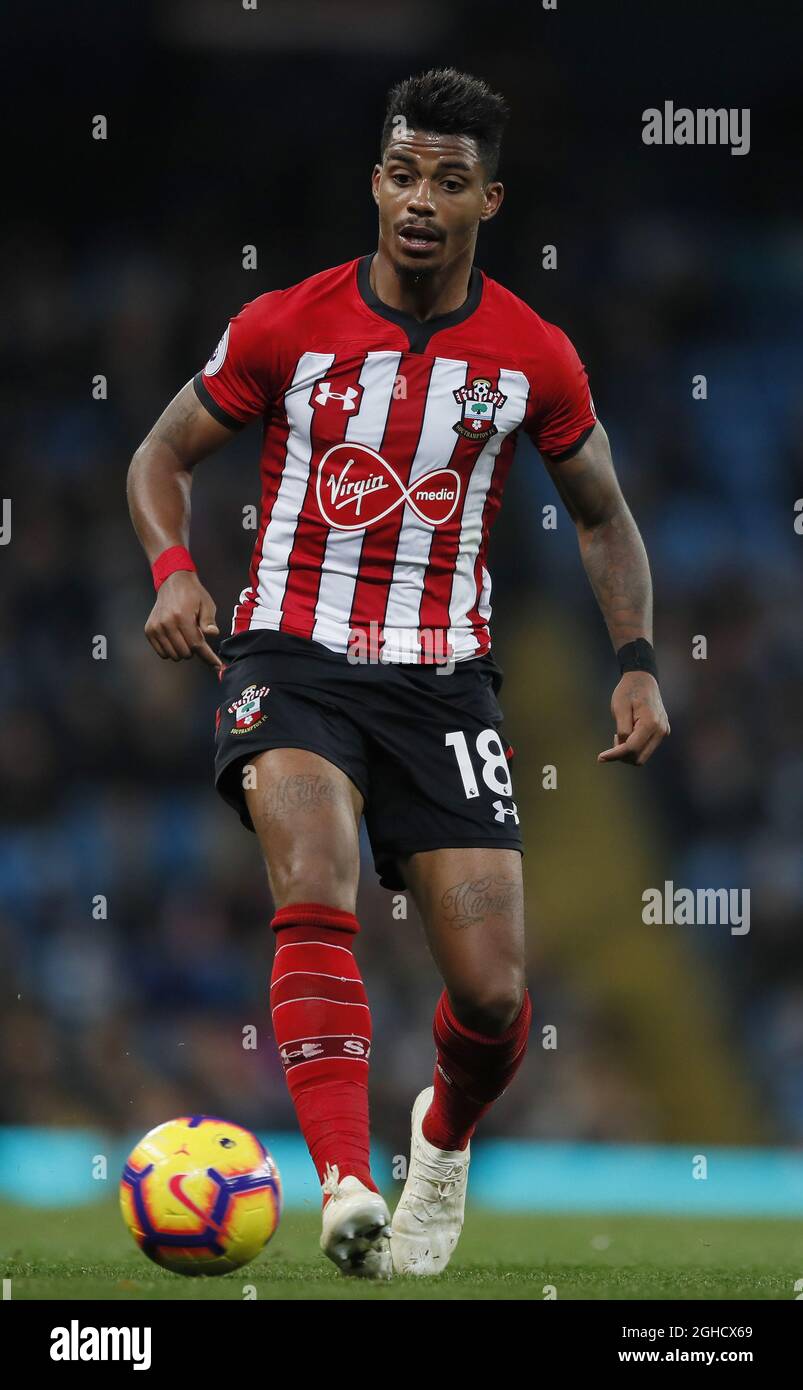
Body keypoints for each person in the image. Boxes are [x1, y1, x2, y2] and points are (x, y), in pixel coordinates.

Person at [127, 67, 669, 1280]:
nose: (423, 200)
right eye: (405, 175)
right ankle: (339, 1184)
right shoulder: (284, 326)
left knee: (490, 997)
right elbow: (162, 452)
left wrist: (632, 661)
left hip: (442, 683)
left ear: (489, 199)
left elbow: (601, 516)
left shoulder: (532, 353)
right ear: (378, 181)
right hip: (290, 657)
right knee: (309, 875)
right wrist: (171, 566)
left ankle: (437, 1138)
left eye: (452, 182)